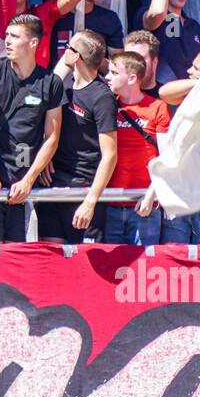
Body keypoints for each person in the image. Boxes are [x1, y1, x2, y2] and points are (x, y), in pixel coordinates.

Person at [0, 14, 64, 242]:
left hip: (24, 183)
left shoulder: (50, 82)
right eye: (7, 35)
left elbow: (52, 137)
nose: (7, 40)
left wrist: (29, 179)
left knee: (18, 256)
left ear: (33, 43)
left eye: (15, 36)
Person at [37, 31, 117, 242]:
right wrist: (45, 159)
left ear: (77, 56)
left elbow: (110, 155)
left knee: (83, 264)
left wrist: (91, 201)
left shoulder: (102, 97)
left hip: (83, 187)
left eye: (69, 48)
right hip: (52, 184)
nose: (64, 52)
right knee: (51, 258)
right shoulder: (62, 85)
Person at [103, 49, 169, 244]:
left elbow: (165, 158)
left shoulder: (157, 107)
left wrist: (151, 195)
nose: (107, 77)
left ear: (132, 78)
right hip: (111, 203)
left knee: (144, 270)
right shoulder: (107, 106)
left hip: (144, 203)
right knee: (111, 270)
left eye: (114, 73)